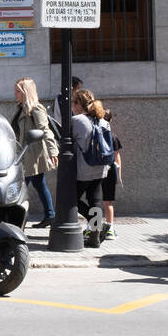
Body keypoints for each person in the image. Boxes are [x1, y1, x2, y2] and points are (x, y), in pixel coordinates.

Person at [12, 77, 60, 229]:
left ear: (26, 92)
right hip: (24, 153)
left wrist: (53, 151)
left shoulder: (36, 108)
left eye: (18, 91)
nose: (15, 94)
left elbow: (45, 130)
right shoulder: (21, 108)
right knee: (39, 184)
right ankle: (50, 215)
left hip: (32, 154)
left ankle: (16, 220)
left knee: (19, 186)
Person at [70, 88, 111, 248]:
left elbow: (66, 140)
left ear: (79, 104)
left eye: (74, 102)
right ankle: (94, 235)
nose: (72, 106)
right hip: (101, 167)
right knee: (95, 200)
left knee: (71, 199)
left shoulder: (78, 120)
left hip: (84, 169)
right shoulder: (103, 121)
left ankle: (97, 225)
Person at [101, 106, 123, 241]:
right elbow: (117, 157)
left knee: (96, 200)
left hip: (96, 171)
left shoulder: (95, 134)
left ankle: (94, 227)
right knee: (108, 201)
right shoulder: (113, 136)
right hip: (110, 171)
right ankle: (109, 228)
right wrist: (119, 173)